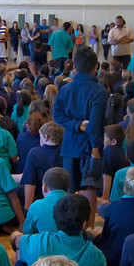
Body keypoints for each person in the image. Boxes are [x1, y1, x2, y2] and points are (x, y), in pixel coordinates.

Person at [52, 46, 107, 208]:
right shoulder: (100, 91)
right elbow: (95, 124)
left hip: (70, 145)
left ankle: (70, 227)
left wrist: (75, 125)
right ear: (96, 66)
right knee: (90, 188)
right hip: (90, 146)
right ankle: (89, 226)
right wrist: (96, 148)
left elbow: (57, 116)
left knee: (69, 189)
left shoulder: (65, 89)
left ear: (74, 67)